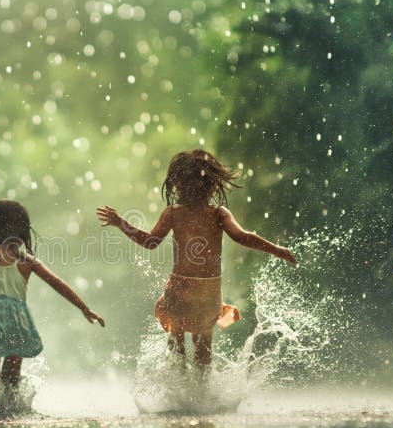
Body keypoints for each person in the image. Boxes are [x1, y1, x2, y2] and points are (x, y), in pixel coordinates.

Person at [97, 149, 295, 371]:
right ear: (212, 184)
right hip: (208, 295)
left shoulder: (173, 213)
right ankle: (202, 397)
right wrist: (276, 249)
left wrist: (121, 223)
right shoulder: (219, 213)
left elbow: (150, 242)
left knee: (176, 343)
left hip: (179, 291)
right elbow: (242, 237)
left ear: (177, 185)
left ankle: (178, 393)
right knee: (204, 348)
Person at [0, 199, 104, 417]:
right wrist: (84, 308)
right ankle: (12, 422)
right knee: (11, 379)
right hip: (18, 321)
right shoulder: (27, 261)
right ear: (23, 232)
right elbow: (58, 283)